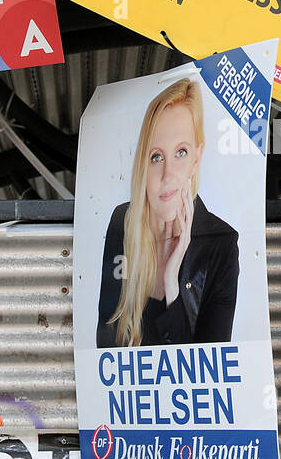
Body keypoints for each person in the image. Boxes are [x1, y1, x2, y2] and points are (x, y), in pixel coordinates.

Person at [96, 78, 240, 348]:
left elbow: (209, 365)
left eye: (181, 152)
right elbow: (105, 345)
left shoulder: (222, 244)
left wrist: (171, 283)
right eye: (156, 156)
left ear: (196, 158)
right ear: (143, 162)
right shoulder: (122, 222)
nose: (167, 175)